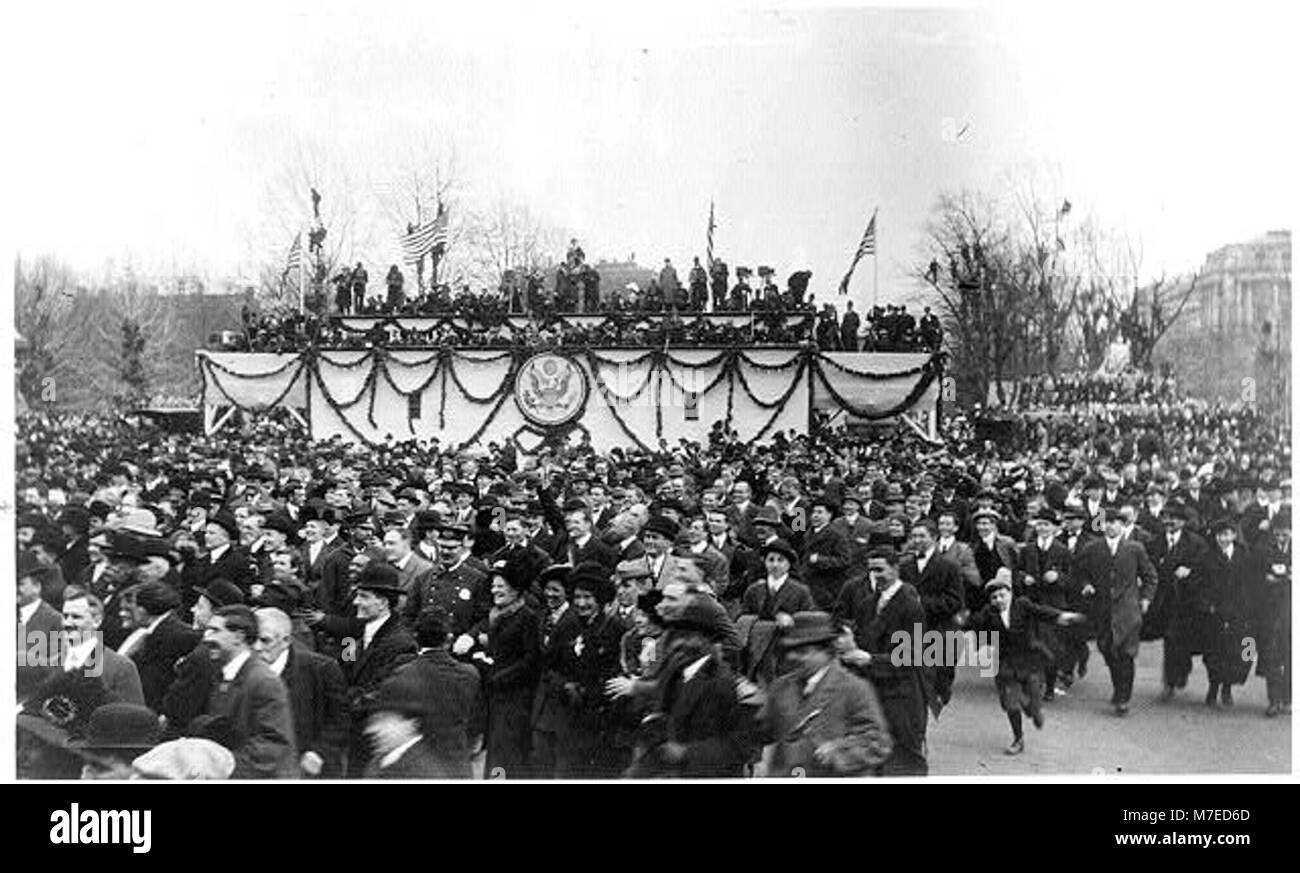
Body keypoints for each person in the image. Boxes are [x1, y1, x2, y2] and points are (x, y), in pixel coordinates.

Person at [310, 563, 418, 776]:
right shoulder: (355, 635)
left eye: (364, 596)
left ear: (383, 602)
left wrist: (341, 706)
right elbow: (343, 672)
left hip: (376, 735)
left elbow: (384, 690)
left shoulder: (401, 643)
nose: (356, 602)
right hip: (352, 732)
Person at [960, 570, 1085, 755]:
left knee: (1032, 695)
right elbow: (974, 622)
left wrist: (1061, 616)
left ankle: (1034, 709)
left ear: (1010, 593)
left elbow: (1040, 611)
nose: (999, 600)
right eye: (994, 597)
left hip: (1028, 658)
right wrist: (958, 622)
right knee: (1010, 703)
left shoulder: (1022, 605)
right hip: (1004, 663)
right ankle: (1018, 739)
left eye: (1002, 595)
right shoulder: (989, 612)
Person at [834, 546, 931, 776]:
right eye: (871, 570)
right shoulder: (867, 604)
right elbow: (861, 641)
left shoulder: (911, 606)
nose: (875, 575)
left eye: (880, 569)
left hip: (903, 695)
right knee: (874, 758)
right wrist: (850, 646)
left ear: (896, 569)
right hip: (873, 692)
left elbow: (912, 656)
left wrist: (869, 659)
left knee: (905, 759)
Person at [757, 611, 892, 777]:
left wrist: (840, 750)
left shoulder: (854, 688)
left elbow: (877, 742)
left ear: (826, 652)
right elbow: (760, 731)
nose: (792, 657)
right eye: (790, 650)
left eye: (803, 651)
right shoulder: (781, 688)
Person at [626, 599, 749, 778]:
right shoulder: (675, 672)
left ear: (704, 639)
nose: (677, 640)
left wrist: (686, 752)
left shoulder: (722, 682)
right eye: (676, 632)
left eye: (686, 634)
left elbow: (737, 746)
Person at [463, 552, 541, 779]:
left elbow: (531, 660)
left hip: (515, 698)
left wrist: (498, 676)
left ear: (516, 589)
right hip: (497, 695)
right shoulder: (498, 615)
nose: (495, 590)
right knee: (495, 750)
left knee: (506, 751)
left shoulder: (527, 617)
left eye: (501, 586)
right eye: (494, 586)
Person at [1073, 508, 1157, 715]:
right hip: (1102, 609)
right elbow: (1078, 571)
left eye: (1115, 522)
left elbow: (1150, 576)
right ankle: (1118, 687)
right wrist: (1085, 584)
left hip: (1128, 610)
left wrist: (1146, 598)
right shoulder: (1093, 548)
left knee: (1126, 654)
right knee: (1108, 650)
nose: (1110, 526)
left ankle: (1123, 698)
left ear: (1123, 525)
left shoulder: (1134, 548)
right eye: (1106, 522)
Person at [201, 605, 298, 778]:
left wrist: (220, 766)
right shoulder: (223, 674)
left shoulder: (263, 681)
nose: (206, 638)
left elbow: (273, 744)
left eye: (215, 631)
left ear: (238, 637)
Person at [383, 610, 482, 779]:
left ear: (416, 637)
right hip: (457, 767)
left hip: (418, 769)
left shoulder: (403, 674)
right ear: (449, 638)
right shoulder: (470, 674)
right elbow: (475, 723)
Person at [254, 607, 348, 779]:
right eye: (251, 639)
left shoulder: (321, 670)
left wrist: (319, 752)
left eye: (264, 640)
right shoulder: (243, 670)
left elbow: (340, 721)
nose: (256, 647)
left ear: (286, 640)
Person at [1150, 503, 1212, 702]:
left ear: (1183, 522)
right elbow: (1150, 567)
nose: (1170, 521)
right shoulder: (1156, 542)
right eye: (1167, 517)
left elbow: (1204, 570)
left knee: (1183, 641)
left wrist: (1190, 571)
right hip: (1164, 602)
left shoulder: (1196, 543)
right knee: (1170, 640)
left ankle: (1182, 670)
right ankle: (1168, 683)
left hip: (1188, 602)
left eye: (1175, 518)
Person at [1202, 518, 1256, 708]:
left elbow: (1249, 585)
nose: (1223, 539)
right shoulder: (1208, 556)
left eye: (1227, 534)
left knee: (1235, 651)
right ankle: (1213, 687)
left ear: (1234, 535)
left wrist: (1246, 608)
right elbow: (1202, 585)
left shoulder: (1243, 556)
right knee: (1213, 652)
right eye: (1220, 535)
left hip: (1237, 612)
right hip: (1215, 612)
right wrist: (1208, 605)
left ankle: (1227, 688)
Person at [362, 669, 445, 779]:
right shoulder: (380, 761)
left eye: (384, 720)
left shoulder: (424, 773)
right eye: (372, 721)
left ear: (412, 723)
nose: (371, 730)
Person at [1257, 511, 1291, 717]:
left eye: (1284, 534)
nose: (1281, 538)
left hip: (1291, 610)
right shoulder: (1263, 549)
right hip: (1270, 611)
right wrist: (1266, 579)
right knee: (1271, 656)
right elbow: (1255, 575)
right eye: (1277, 534)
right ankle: (1274, 700)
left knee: (1291, 656)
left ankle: (1288, 699)